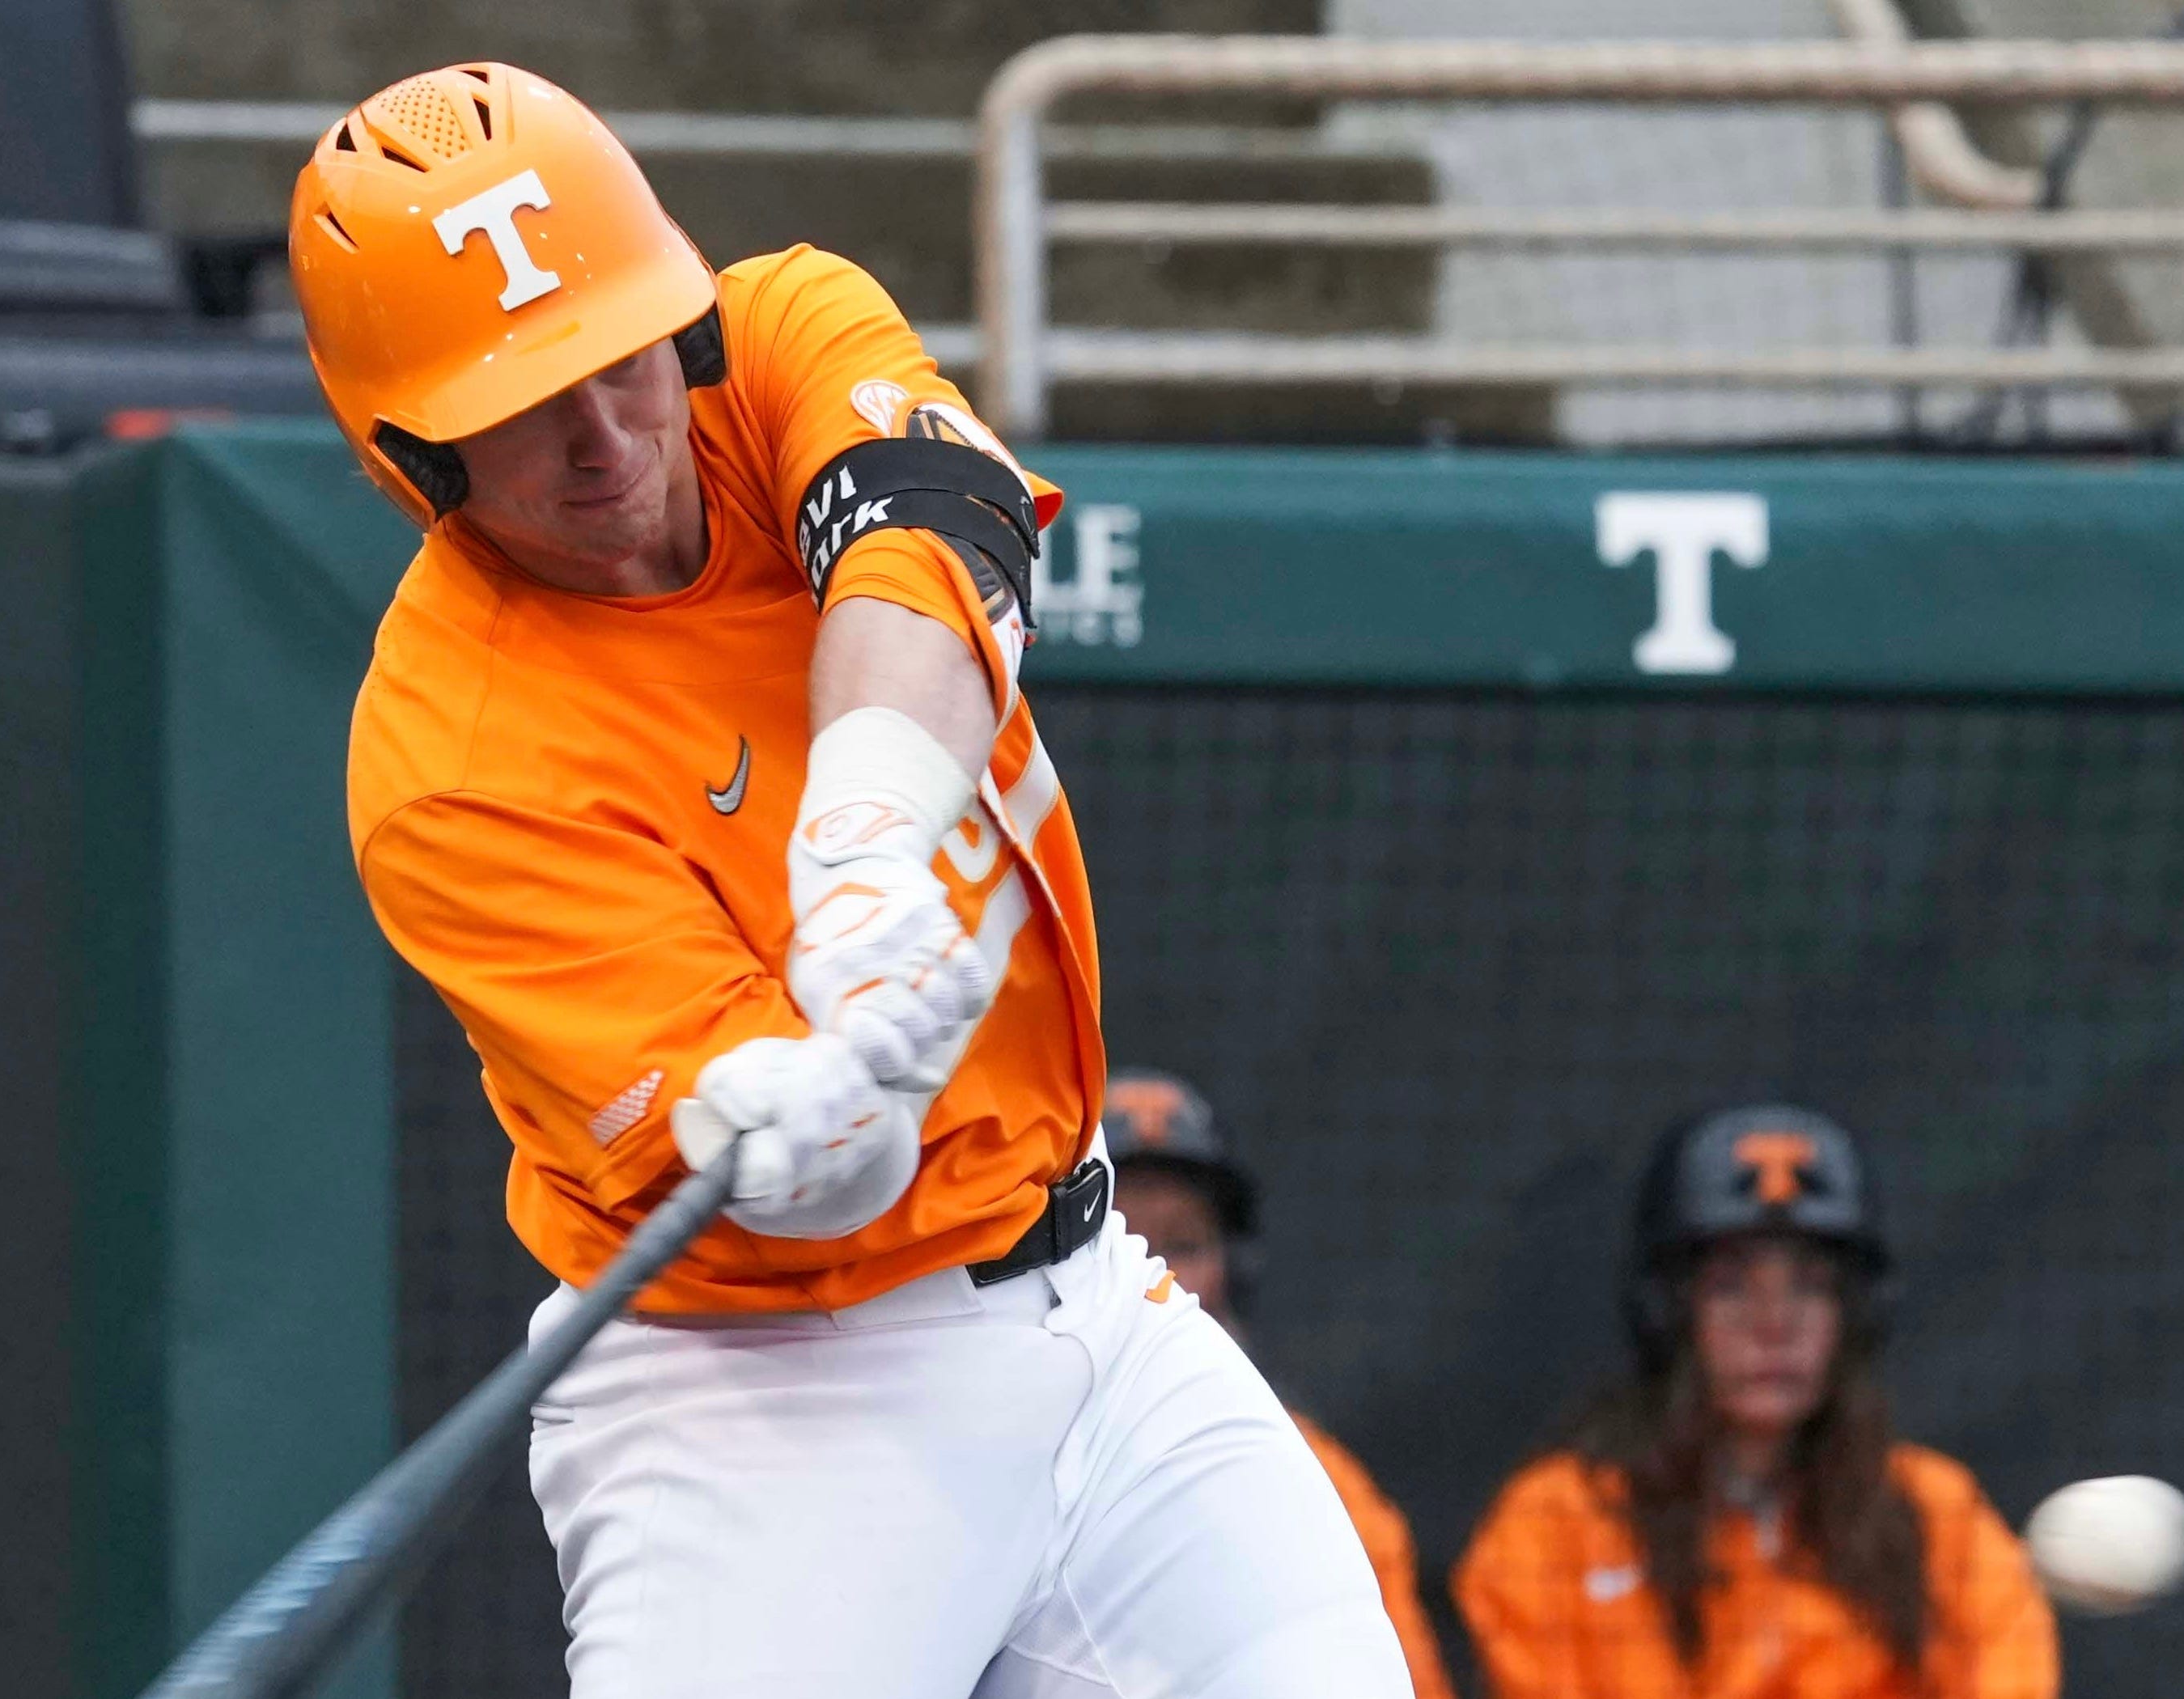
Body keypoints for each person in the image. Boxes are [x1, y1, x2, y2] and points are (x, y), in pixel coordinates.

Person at [295, 62, 1410, 1698]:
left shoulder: (785, 327)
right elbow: (803, 1179)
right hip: (766, 1403)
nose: (604, 436)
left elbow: (933, 532)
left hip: (1094, 1308)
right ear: (408, 454)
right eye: (519, 408)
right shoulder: (449, 765)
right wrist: (809, 1114)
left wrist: (869, 841)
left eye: (618, 358)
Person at [1453, 1104, 2057, 1699]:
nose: (1774, 1325)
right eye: (1729, 1286)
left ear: (1855, 1317)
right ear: (1668, 1313)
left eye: (1810, 1287)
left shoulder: (1939, 1518)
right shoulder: (1557, 1524)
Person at [1103, 1068, 1458, 1699]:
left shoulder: (1322, 1482)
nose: (1154, 1272)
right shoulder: (979, 1465)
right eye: (1118, 1238)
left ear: (1233, 1270)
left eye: (1183, 1245)